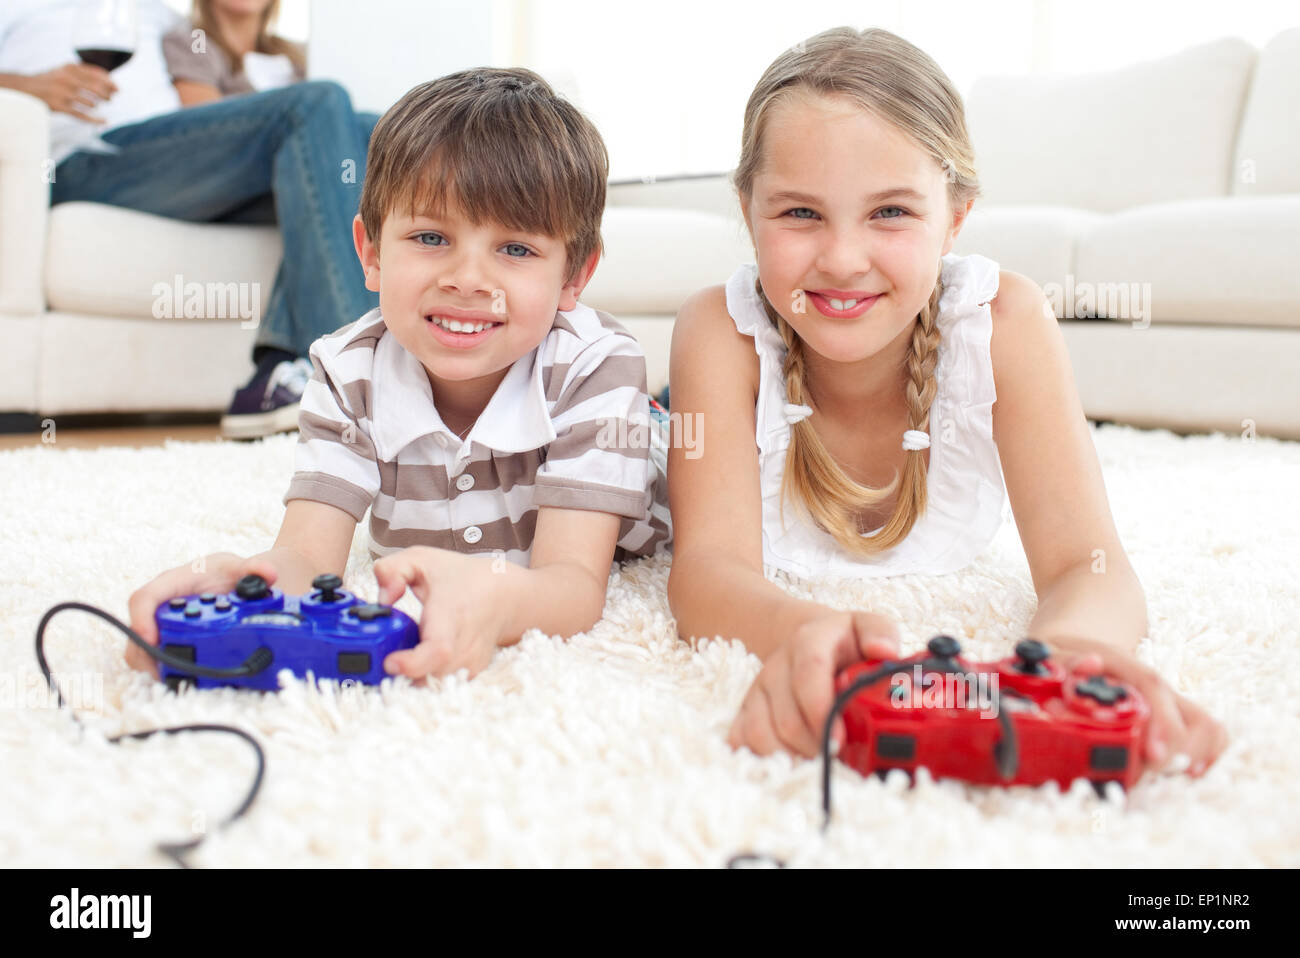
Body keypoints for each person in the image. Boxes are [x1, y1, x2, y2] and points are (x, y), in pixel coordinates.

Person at [666, 27, 1227, 778]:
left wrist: (1067, 659)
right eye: (799, 214)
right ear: (747, 208)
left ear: (955, 217)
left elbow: (1089, 565)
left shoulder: (1005, 323)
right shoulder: (717, 330)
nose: (841, 259)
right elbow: (705, 573)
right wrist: (818, 632)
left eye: (890, 213)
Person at [126, 68, 671, 682]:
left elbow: (572, 587)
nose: (467, 279)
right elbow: (307, 555)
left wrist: (496, 601)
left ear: (574, 277)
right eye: (431, 237)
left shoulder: (596, 366)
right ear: (371, 253)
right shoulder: (346, 368)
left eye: (515, 249)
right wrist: (251, 582)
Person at [0, 0, 378, 440]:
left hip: (182, 164)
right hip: (92, 161)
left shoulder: (162, 17)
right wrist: (27, 85)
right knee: (320, 101)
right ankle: (356, 382)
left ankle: (275, 377)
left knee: (366, 133)